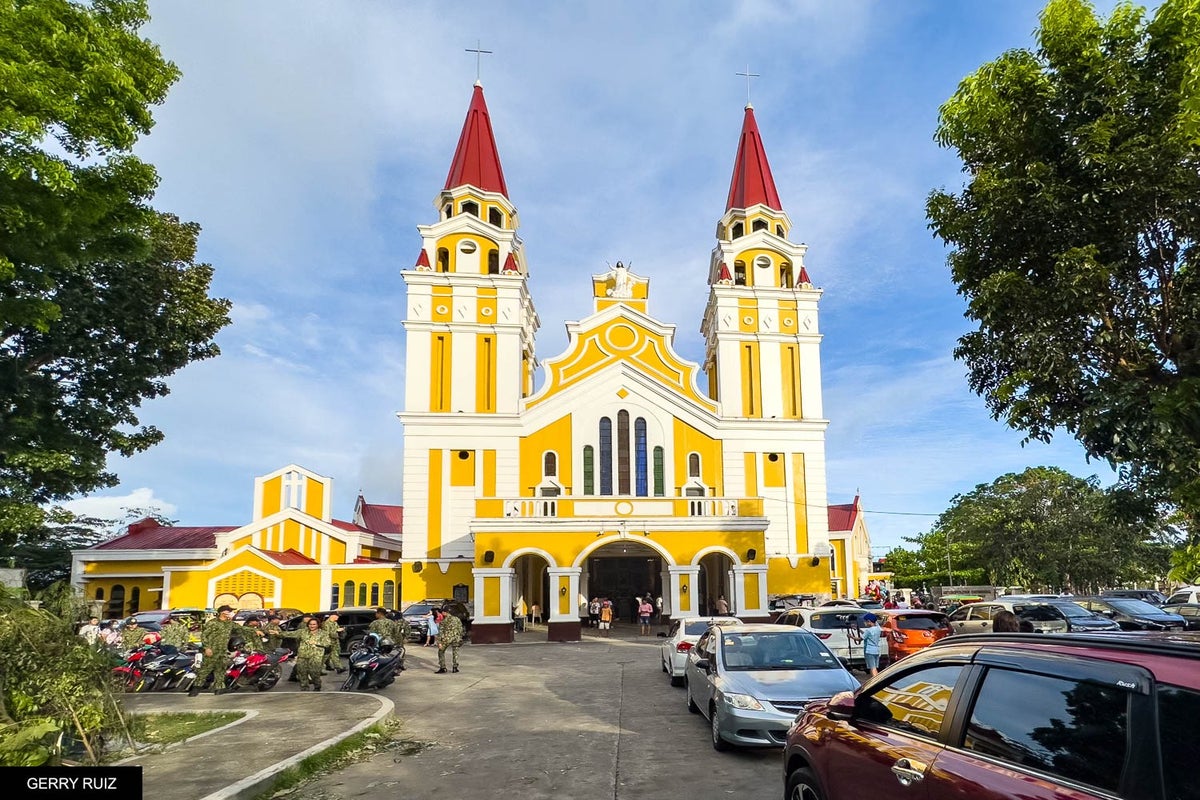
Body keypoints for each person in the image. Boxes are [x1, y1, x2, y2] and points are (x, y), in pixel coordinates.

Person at [189, 605, 236, 696]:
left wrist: (255, 631)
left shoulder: (229, 623)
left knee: (220, 670)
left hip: (222, 651)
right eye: (229, 611)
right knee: (205, 670)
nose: (230, 613)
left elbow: (241, 629)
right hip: (212, 650)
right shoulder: (212, 623)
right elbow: (204, 636)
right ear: (223, 612)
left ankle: (219, 689)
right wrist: (207, 647)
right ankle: (195, 689)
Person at [282, 616, 332, 691]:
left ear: (318, 625)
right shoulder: (302, 631)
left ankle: (317, 686)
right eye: (310, 624)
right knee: (302, 672)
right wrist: (277, 633)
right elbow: (290, 634)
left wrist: (317, 642)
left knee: (314, 673)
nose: (312, 626)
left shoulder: (323, 633)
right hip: (303, 655)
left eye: (314, 624)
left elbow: (327, 643)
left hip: (315, 656)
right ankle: (304, 688)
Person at [435, 606, 465, 674]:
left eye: (442, 612)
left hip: (446, 639)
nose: (442, 613)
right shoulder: (457, 619)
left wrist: (439, 642)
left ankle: (443, 667)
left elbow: (440, 632)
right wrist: (460, 637)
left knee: (441, 652)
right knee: (455, 652)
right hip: (456, 638)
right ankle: (455, 667)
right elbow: (461, 629)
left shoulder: (443, 621)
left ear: (445, 612)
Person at [861, 613, 882, 677]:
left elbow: (860, 638)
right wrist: (858, 630)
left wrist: (851, 637)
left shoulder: (868, 630)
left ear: (869, 621)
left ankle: (876, 681)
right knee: (874, 667)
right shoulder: (878, 628)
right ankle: (874, 680)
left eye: (865, 621)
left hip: (869, 651)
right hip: (876, 650)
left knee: (872, 668)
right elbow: (866, 635)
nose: (864, 623)